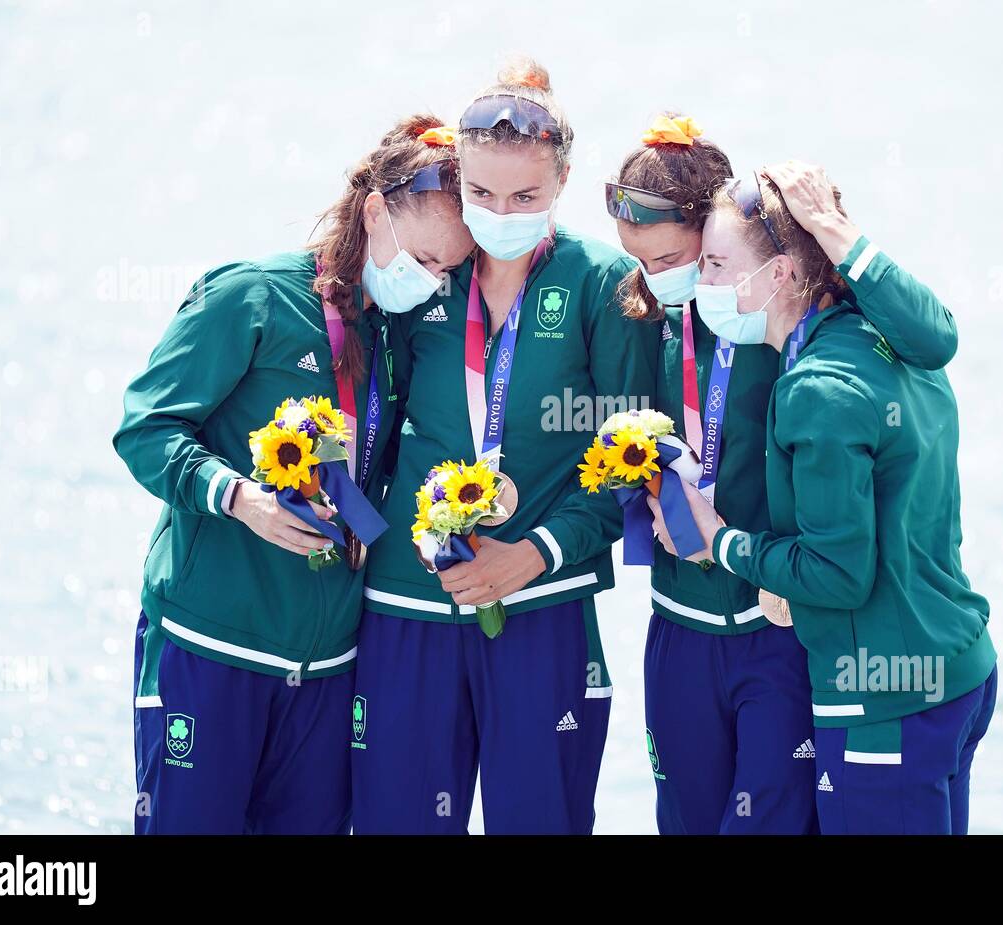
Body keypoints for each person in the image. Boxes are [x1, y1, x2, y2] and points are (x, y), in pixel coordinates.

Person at [114, 114, 474, 834]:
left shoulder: (392, 335)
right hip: (212, 650)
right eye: (426, 259)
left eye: (447, 271)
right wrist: (237, 496)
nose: (431, 283)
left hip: (328, 669)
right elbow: (144, 427)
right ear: (375, 211)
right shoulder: (249, 297)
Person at [611, 116, 959, 834]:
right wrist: (643, 503)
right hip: (680, 625)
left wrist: (834, 227)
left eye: (684, 258)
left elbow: (932, 337)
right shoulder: (649, 311)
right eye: (641, 263)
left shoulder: (783, 321)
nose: (663, 279)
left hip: (778, 627)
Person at [350, 59, 659, 835]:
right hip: (407, 601)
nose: (499, 212)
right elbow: (365, 419)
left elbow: (631, 460)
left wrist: (538, 553)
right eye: (480, 194)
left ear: (562, 182)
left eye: (525, 196)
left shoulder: (602, 284)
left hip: (542, 605)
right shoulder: (426, 267)